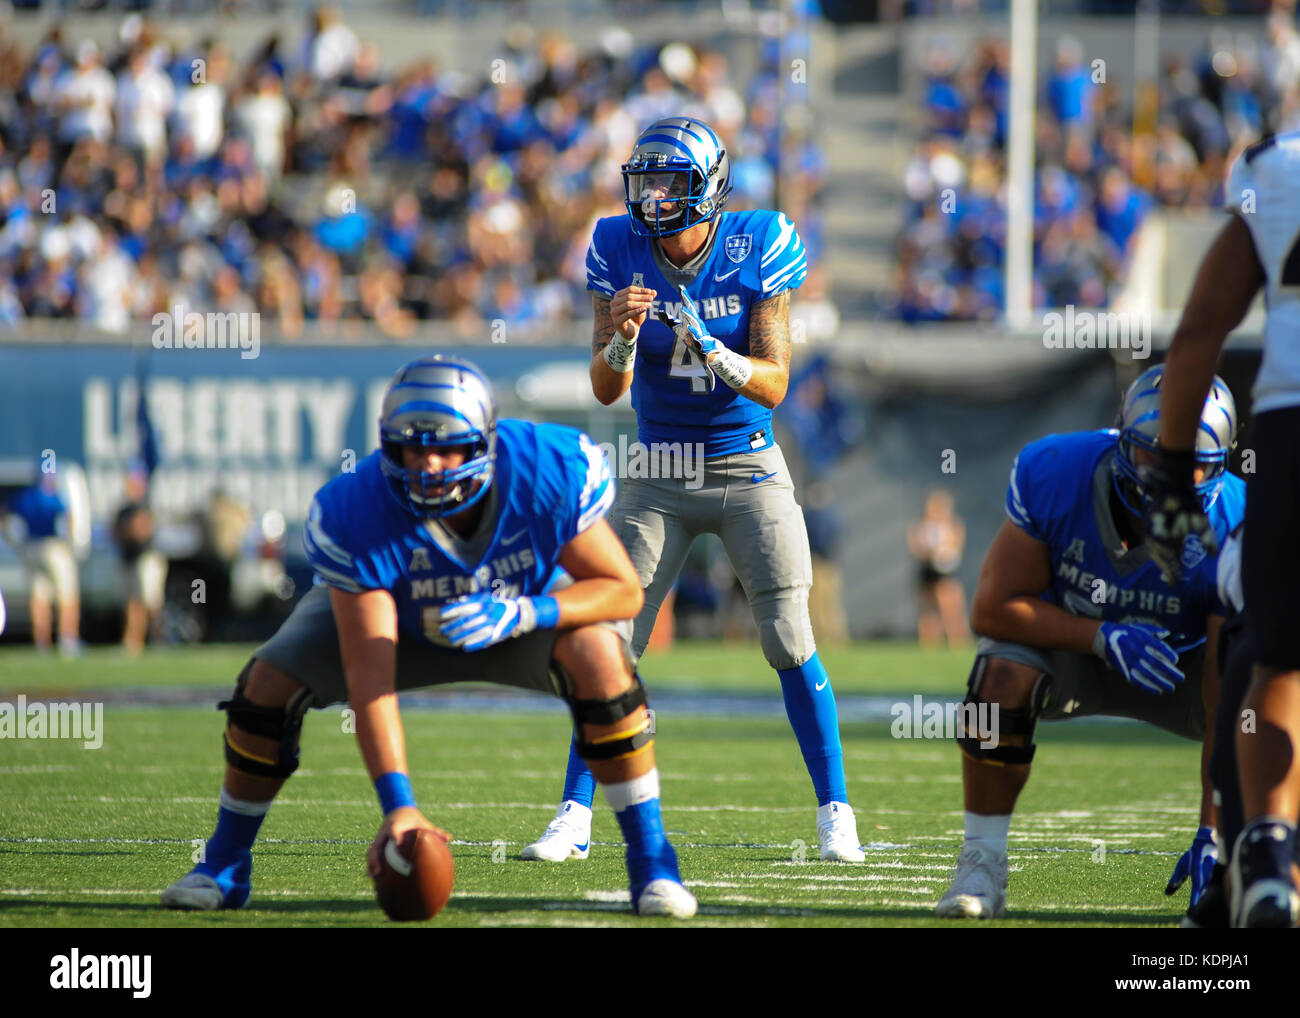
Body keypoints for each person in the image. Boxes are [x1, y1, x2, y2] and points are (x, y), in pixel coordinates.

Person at [160, 356, 697, 919]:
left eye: (447, 449)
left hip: (516, 612)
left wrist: (524, 613)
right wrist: (399, 806)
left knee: (601, 658)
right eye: (413, 449)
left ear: (483, 443)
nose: (429, 465)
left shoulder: (544, 468)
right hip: (401, 620)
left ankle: (653, 865)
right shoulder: (357, 507)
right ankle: (223, 864)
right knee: (267, 685)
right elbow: (369, 674)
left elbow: (621, 591)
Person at [522, 116, 865, 864]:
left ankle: (836, 811)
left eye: (669, 183)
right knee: (609, 644)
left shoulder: (758, 240)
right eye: (644, 181)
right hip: (659, 468)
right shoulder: (615, 244)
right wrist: (622, 337)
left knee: (789, 637)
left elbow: (774, 384)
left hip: (747, 462)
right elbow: (605, 388)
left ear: (708, 188)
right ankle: (575, 815)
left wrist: (717, 353)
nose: (652, 197)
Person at [935, 366, 1243, 919]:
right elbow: (994, 608)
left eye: (1193, 463)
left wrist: (1212, 833)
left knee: (1259, 698)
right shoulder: (1059, 471)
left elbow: (1226, 692)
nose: (1171, 477)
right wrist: (1101, 636)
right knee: (998, 676)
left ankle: (1251, 859)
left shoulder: (1238, 518)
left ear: (1221, 464)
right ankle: (981, 861)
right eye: (1155, 456)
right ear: (1124, 443)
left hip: (1184, 670)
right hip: (1077, 652)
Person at [1142, 131, 1300, 928]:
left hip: (1293, 426)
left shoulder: (1283, 166)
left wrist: (1172, 475)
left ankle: (1263, 853)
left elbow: (1201, 325)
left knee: (1274, 654)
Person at [6, 467, 80, 656]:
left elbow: (5, 516)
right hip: (53, 546)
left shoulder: (24, 497)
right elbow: (67, 518)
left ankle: (42, 642)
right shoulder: (52, 496)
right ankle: (67, 639)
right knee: (67, 594)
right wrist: (71, 541)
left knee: (39, 596)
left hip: (30, 546)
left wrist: (13, 542)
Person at [112, 466, 167, 656]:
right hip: (129, 559)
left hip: (146, 559)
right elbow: (116, 531)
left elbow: (139, 530)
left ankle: (159, 638)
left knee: (150, 602)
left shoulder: (144, 506)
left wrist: (128, 529)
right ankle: (133, 641)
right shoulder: (124, 509)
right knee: (133, 602)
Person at [907, 489, 971, 648]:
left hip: (946, 571)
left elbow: (957, 545)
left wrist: (943, 551)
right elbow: (916, 547)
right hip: (928, 569)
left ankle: (958, 643)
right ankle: (929, 644)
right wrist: (930, 553)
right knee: (928, 610)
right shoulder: (921, 526)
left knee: (951, 609)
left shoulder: (953, 525)